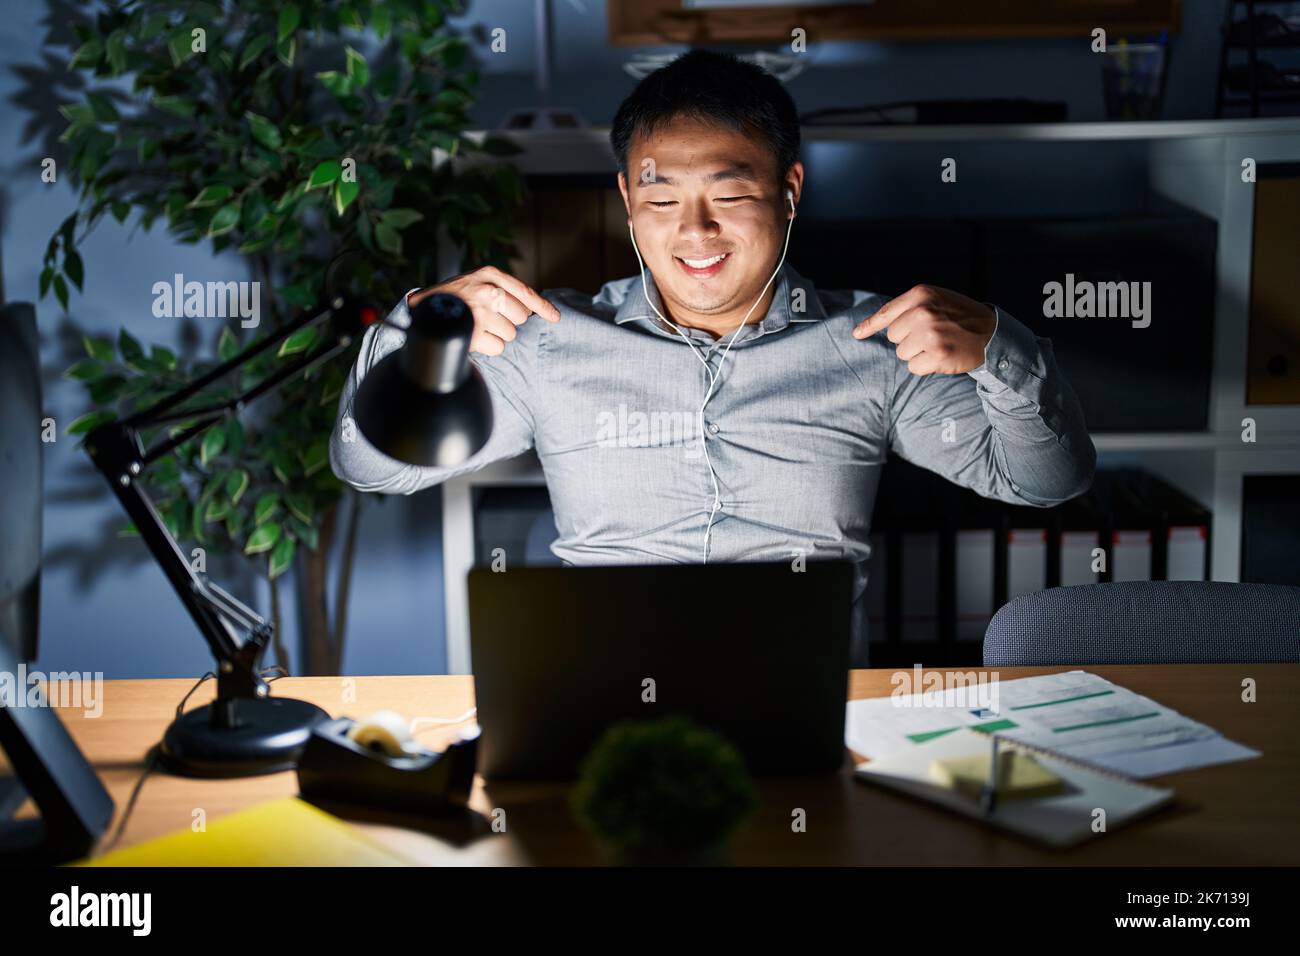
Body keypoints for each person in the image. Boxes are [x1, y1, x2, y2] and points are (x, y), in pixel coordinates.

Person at [330, 50, 1096, 665]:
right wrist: (414, 329)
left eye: (729, 197)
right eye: (663, 203)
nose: (695, 233)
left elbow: (1047, 483)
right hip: (601, 703)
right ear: (628, 201)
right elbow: (372, 468)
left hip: (806, 705)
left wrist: (1003, 347)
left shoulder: (874, 342)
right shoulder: (547, 341)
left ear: (789, 191)